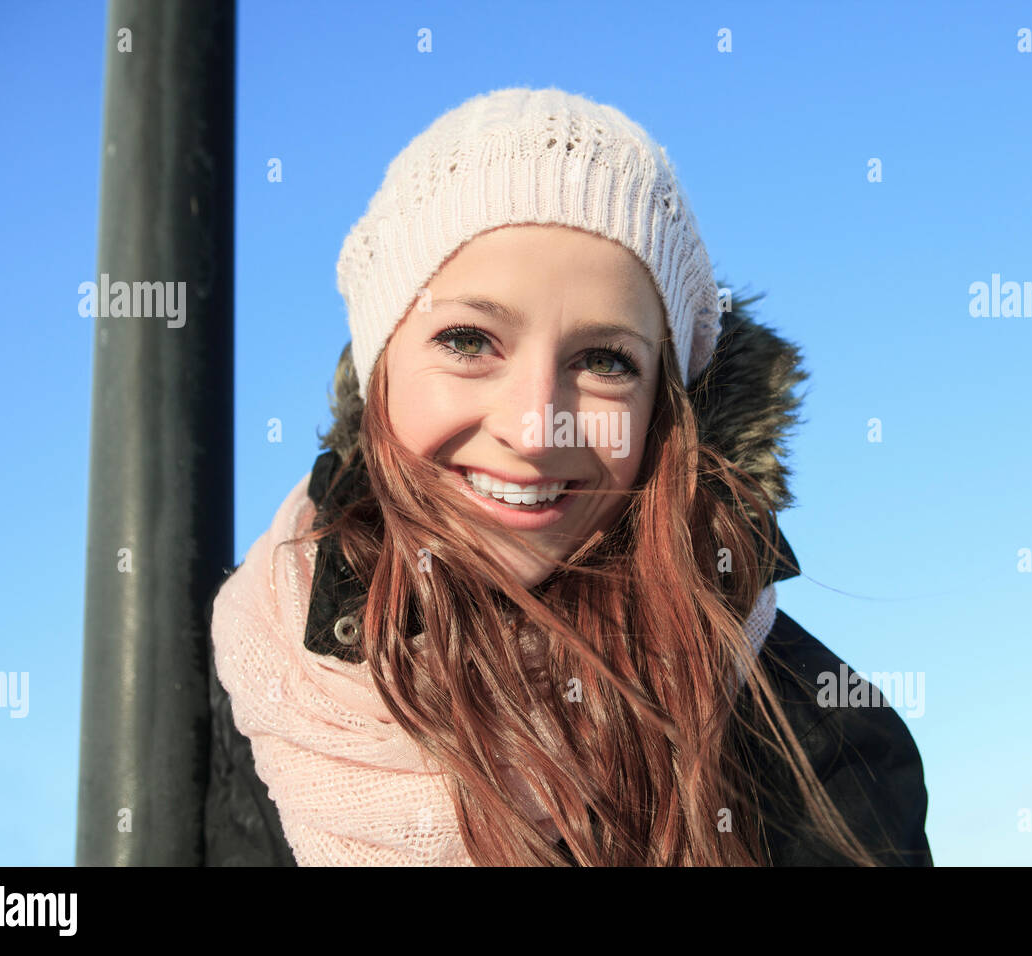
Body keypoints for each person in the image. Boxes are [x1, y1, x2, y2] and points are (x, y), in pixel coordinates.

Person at [206, 86, 933, 867]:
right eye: (469, 340)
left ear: (664, 406)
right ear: (381, 365)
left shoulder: (813, 735)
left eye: (604, 361)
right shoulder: (245, 682)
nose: (533, 428)